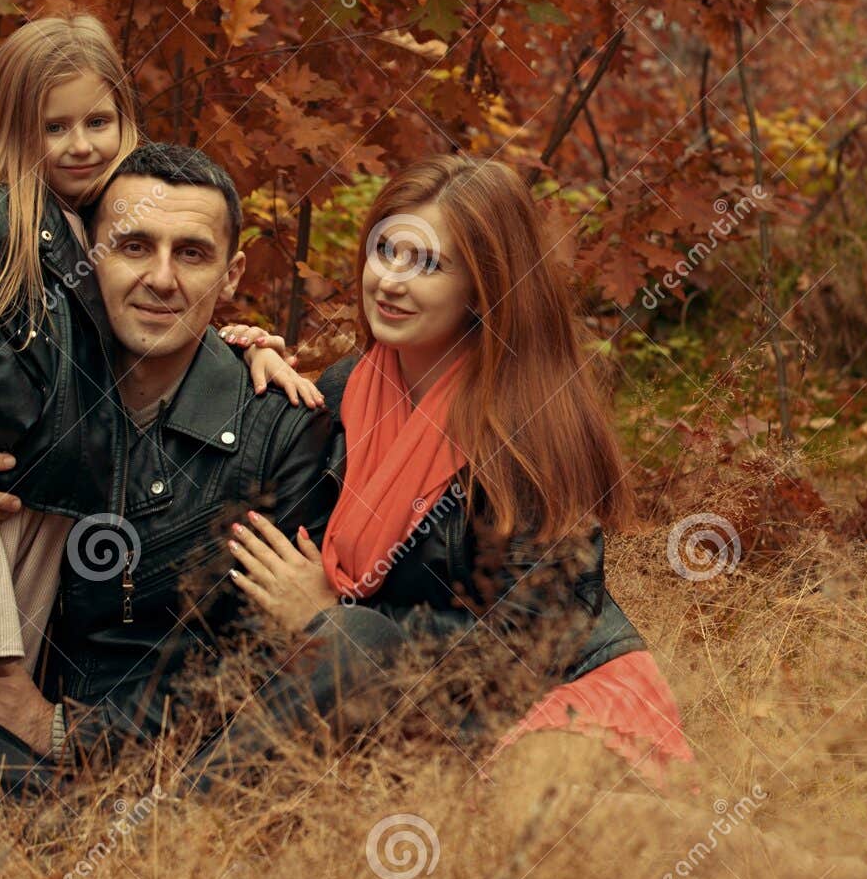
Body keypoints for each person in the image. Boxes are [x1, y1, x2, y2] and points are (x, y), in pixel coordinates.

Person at [0, 143, 338, 837]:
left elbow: (267, 673)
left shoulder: (280, 435)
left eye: (192, 254)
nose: (161, 278)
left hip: (176, 784)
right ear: (88, 258)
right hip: (3, 763)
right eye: (133, 246)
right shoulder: (13, 395)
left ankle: (92, 853)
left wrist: (67, 728)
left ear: (232, 274)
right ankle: (77, 849)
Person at [0, 15, 317, 692]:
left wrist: (234, 341)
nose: (79, 146)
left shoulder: (98, 215)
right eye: (54, 128)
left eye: (97, 122)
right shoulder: (9, 216)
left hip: (45, 510)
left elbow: (150, 313)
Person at [218, 155, 692, 782]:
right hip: (418, 699)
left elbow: (531, 640)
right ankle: (181, 812)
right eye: (385, 251)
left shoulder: (527, 423)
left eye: (428, 264)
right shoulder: (347, 388)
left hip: (556, 702)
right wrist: (240, 363)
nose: (390, 281)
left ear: (483, 287)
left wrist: (330, 615)